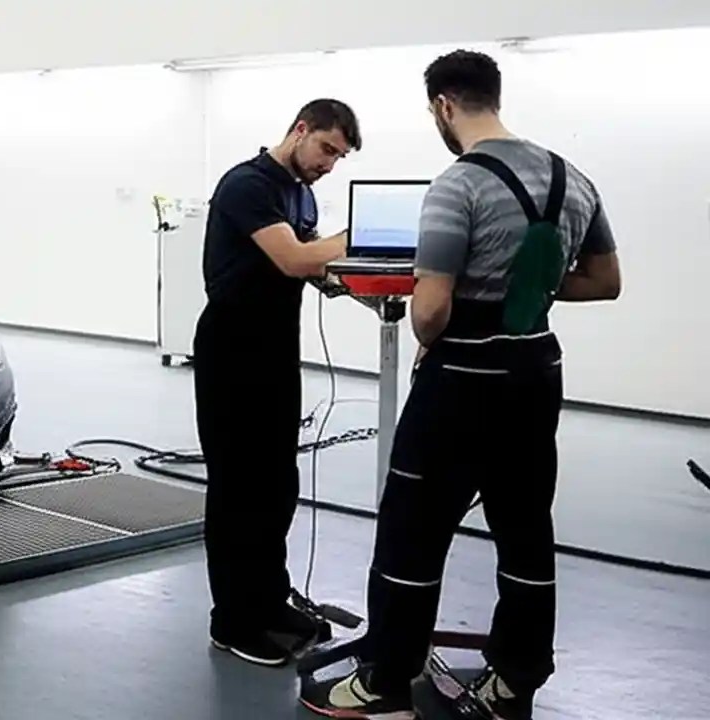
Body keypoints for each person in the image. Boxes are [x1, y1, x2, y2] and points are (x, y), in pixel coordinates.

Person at [300, 50, 622, 719]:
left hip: (464, 378)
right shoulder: (574, 178)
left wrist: (433, 326)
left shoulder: (459, 184)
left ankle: (386, 683)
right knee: (526, 527)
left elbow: (431, 310)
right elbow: (605, 281)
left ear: (444, 105)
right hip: (536, 371)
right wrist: (525, 286)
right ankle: (513, 684)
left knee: (412, 529)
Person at [194, 99, 358, 666]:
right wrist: (358, 232)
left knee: (276, 484)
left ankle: (269, 602)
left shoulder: (302, 194)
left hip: (275, 351)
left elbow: (308, 269)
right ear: (300, 130)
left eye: (339, 157)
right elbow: (292, 260)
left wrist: (350, 276)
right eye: (327, 149)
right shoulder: (246, 185)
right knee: (238, 487)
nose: (330, 164)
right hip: (231, 348)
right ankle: (233, 621)